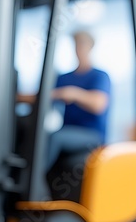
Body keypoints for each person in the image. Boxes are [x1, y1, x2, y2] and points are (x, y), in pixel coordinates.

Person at [45, 30, 111, 170]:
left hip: (92, 135)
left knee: (55, 137)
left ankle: (32, 182)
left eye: (82, 44)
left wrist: (74, 94)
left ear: (90, 47)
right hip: (67, 129)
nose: (78, 48)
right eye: (76, 44)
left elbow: (98, 105)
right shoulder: (64, 78)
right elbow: (47, 95)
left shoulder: (99, 76)